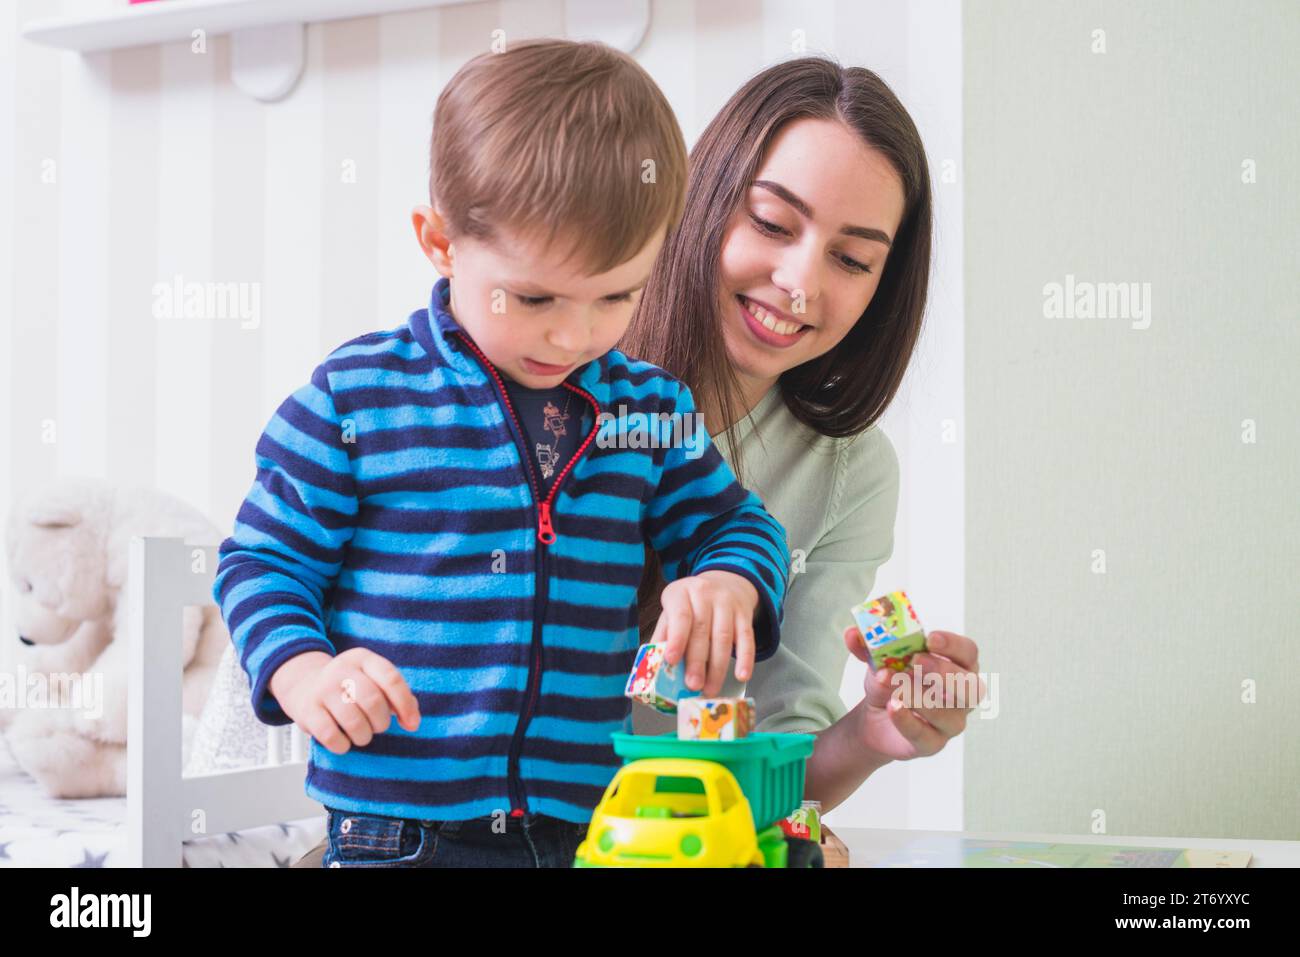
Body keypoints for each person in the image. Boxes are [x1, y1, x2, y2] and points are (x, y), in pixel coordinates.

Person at [215, 38, 790, 868]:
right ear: (441, 243)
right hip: (397, 825)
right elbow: (262, 563)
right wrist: (303, 670)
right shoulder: (358, 396)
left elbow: (740, 524)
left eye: (616, 296)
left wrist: (728, 578)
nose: (574, 332)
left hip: (593, 820)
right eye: (533, 296)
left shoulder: (649, 408)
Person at [623, 57, 984, 812]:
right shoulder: (559, 368)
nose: (801, 282)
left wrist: (875, 730)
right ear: (701, 200)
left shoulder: (853, 472)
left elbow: (779, 762)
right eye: (771, 223)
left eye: (851, 259)